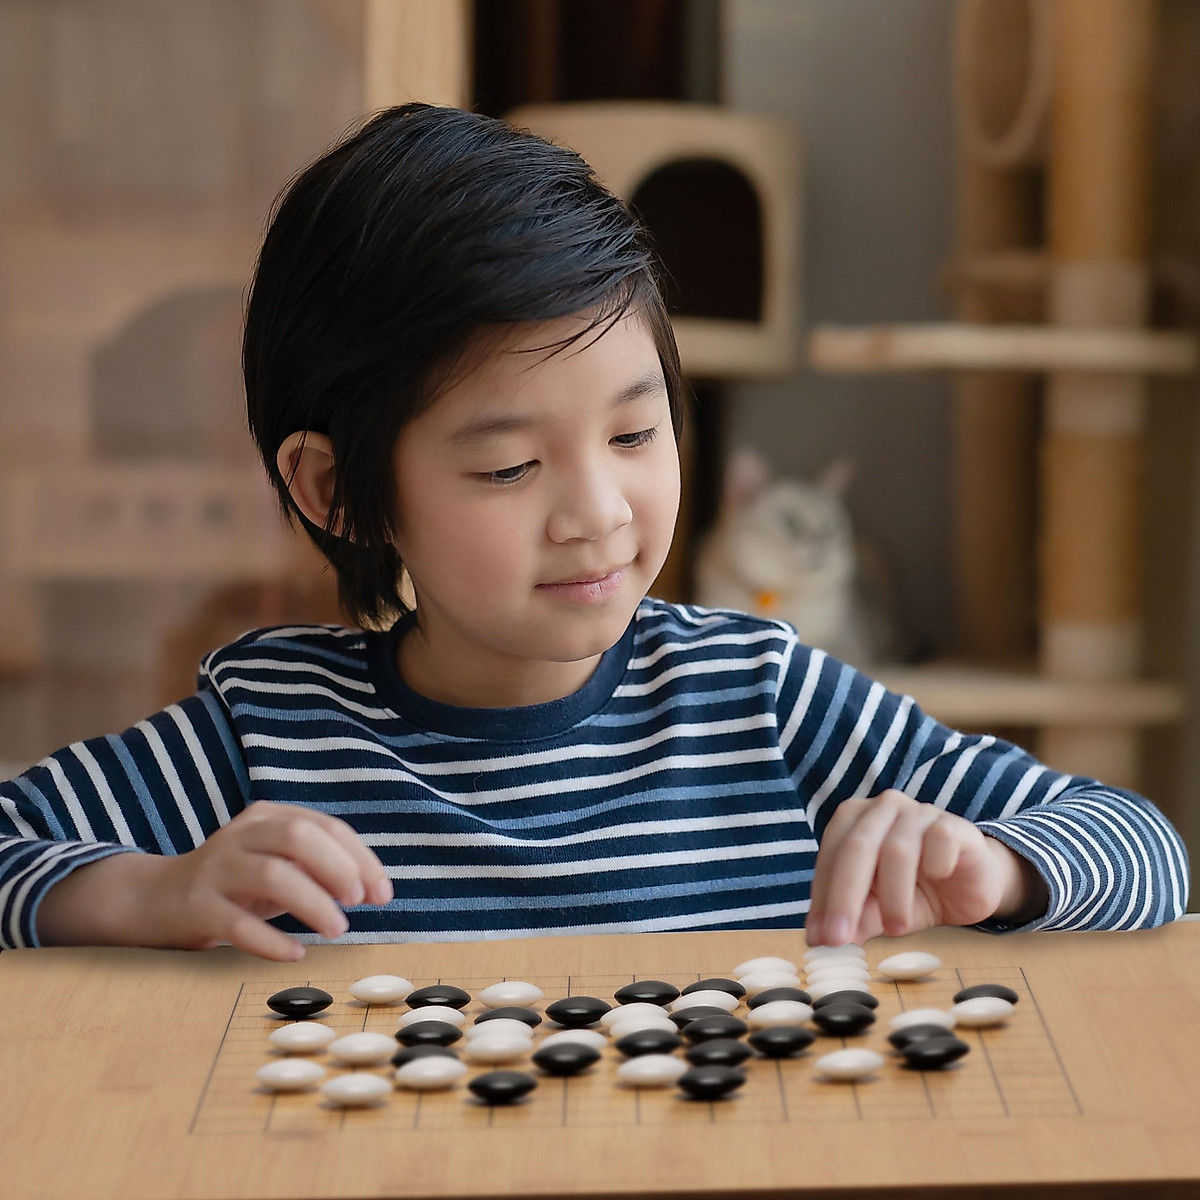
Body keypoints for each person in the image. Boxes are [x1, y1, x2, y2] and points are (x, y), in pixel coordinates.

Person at [0, 105, 1188, 961]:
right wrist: (147, 894)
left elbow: (1144, 848)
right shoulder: (269, 733)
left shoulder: (761, 697)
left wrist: (1001, 866)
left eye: (635, 435)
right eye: (510, 465)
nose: (601, 514)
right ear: (337, 493)